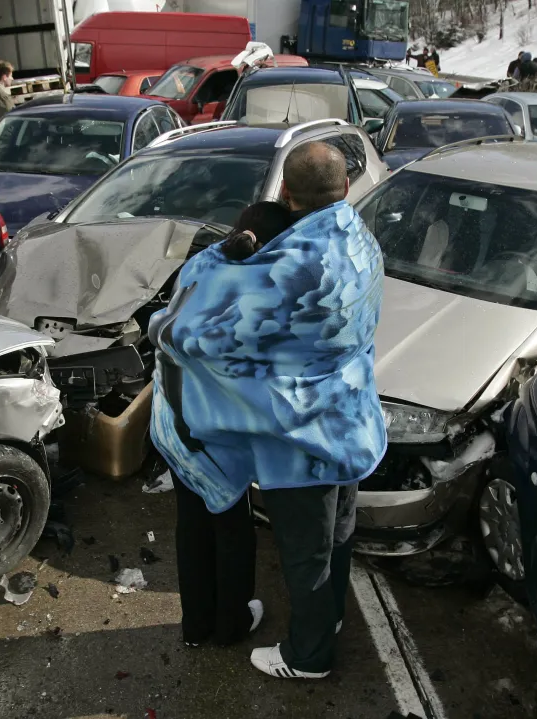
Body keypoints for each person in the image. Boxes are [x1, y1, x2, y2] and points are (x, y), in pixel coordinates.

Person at [148, 141, 385, 681]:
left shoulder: (290, 269)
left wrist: (216, 260)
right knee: (339, 536)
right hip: (350, 421)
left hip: (305, 443)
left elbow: (186, 332)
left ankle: (308, 657)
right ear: (345, 188)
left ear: (284, 191)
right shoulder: (359, 239)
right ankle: (330, 621)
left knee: (306, 555)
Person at [161, 201, 298, 652]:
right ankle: (231, 625)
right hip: (214, 430)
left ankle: (196, 627)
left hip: (172, 422)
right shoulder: (259, 287)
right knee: (232, 528)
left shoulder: (201, 262)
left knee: (191, 524)